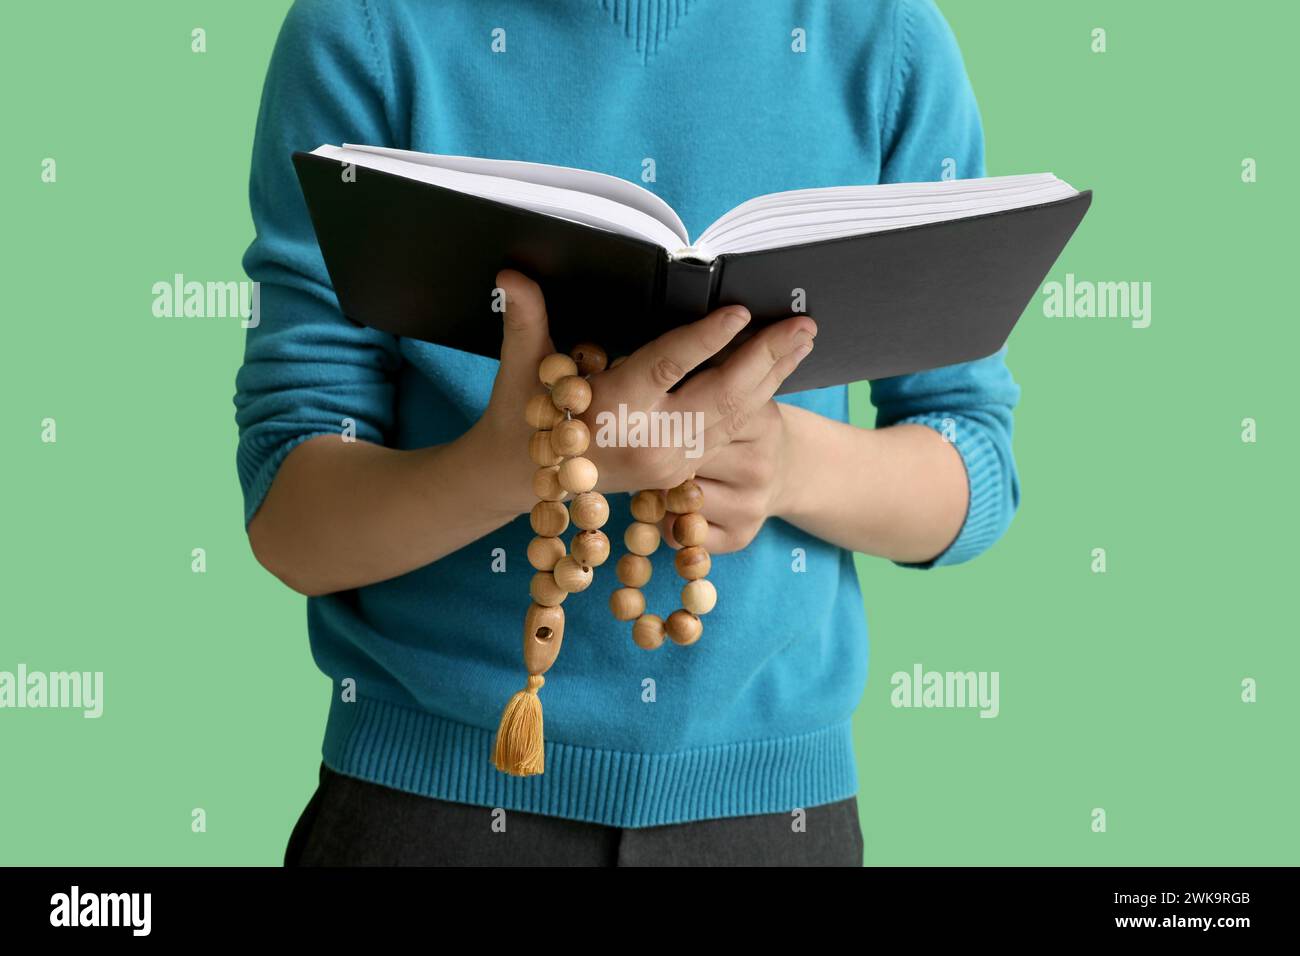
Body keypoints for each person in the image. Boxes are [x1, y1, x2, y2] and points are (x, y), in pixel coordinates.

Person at [236, 0, 1019, 867]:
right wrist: (518, 465)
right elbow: (289, 511)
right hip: (431, 803)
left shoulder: (884, 36)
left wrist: (790, 466)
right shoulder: (365, 29)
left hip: (775, 820)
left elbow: (971, 465)